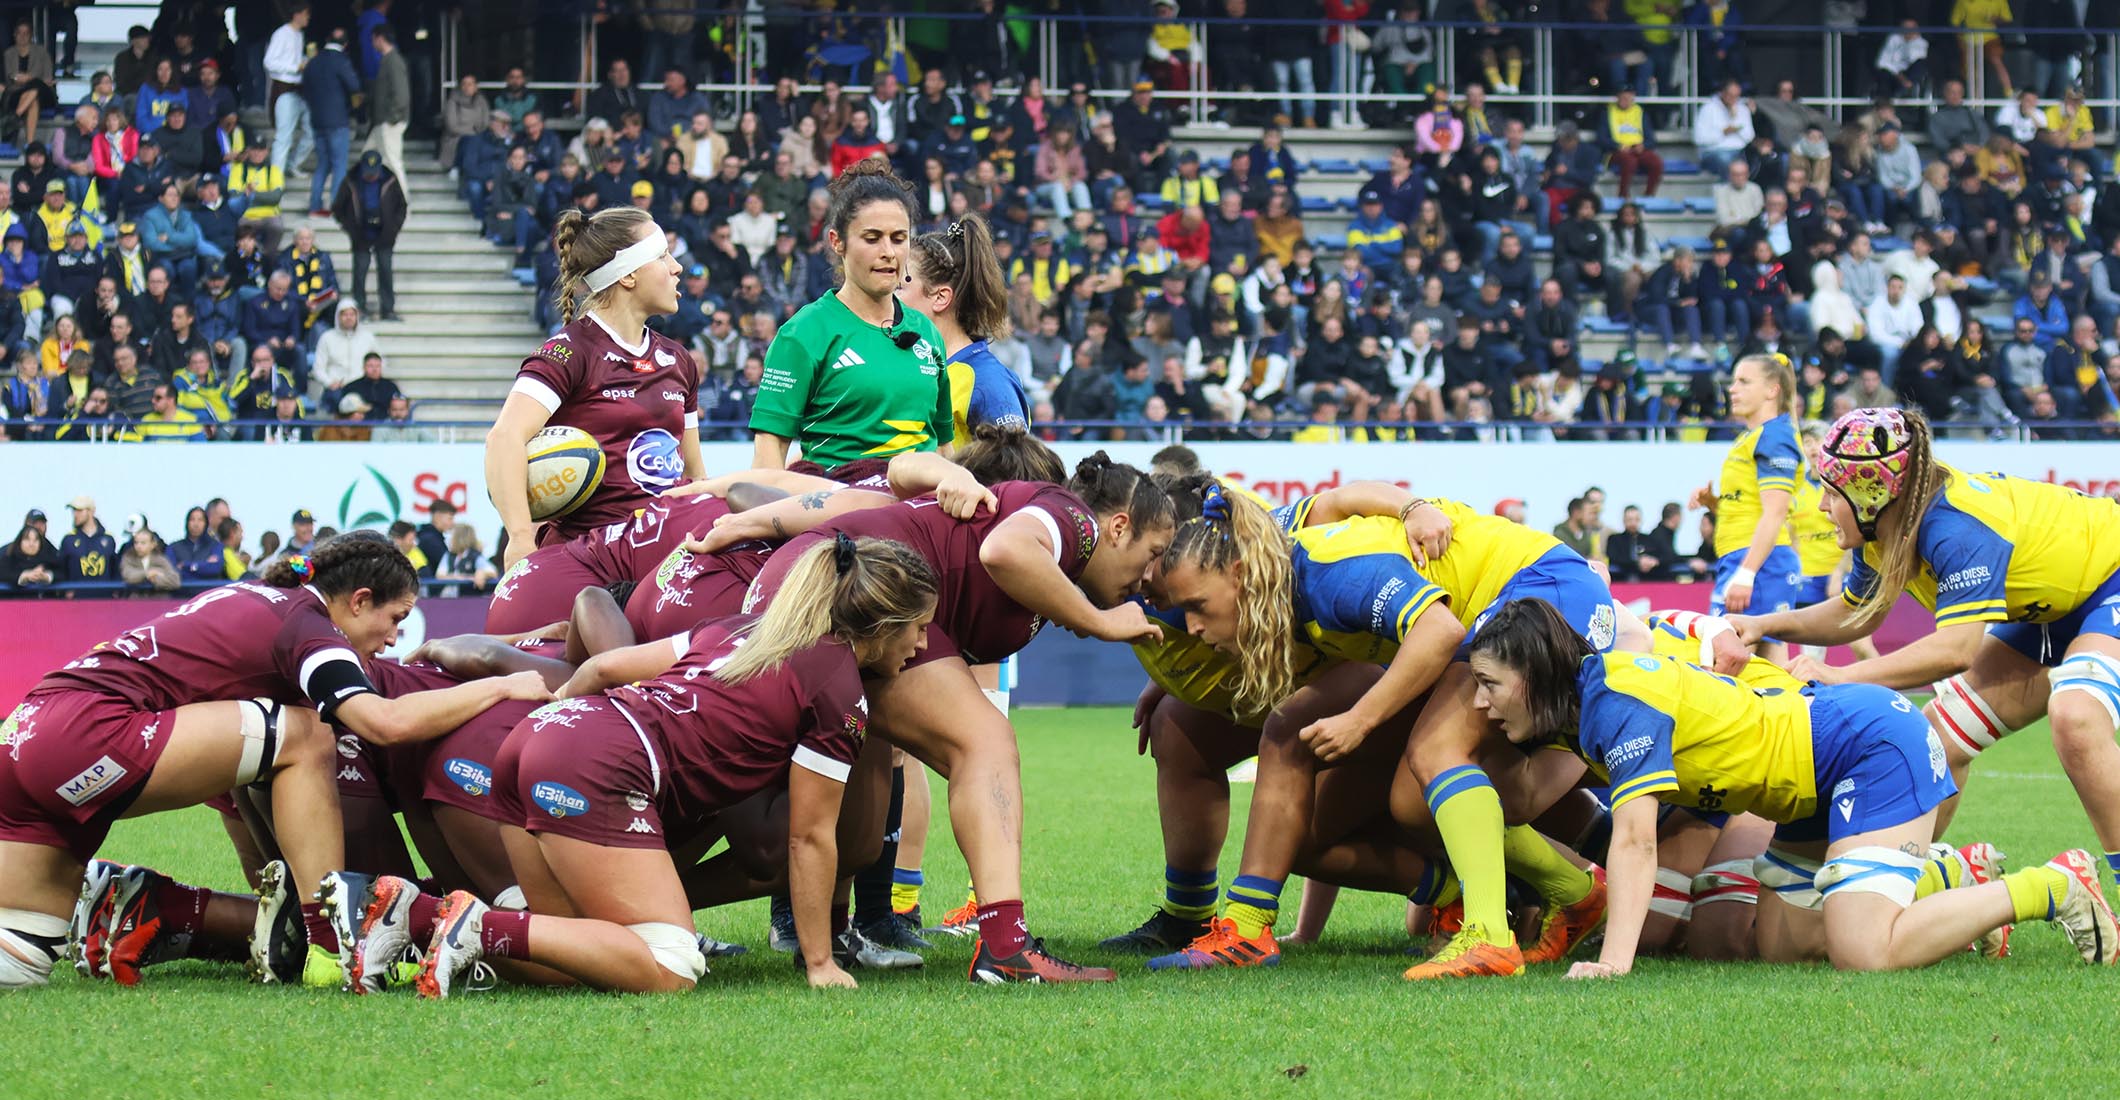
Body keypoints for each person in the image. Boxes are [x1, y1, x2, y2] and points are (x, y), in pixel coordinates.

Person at [373, 536, 937, 997]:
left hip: (541, 740)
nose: (923, 642)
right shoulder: (839, 692)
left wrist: (558, 729)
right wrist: (819, 962)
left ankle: (414, 918)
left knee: (575, 950)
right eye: (919, 626)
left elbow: (605, 668)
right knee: (669, 965)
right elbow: (810, 838)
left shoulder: (737, 630)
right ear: (883, 623)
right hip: (595, 766)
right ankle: (463, 925)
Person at [698, 454, 1177, 982]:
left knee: (853, 830)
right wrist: (1102, 623)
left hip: (808, 588)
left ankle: (815, 929)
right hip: (847, 592)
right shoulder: (1072, 519)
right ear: (1117, 526)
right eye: (1153, 554)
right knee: (984, 742)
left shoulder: (1044, 545)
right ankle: (1006, 948)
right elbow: (1005, 549)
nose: (1148, 578)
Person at [0, 533, 551, 990]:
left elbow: (230, 783)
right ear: (358, 600)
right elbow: (383, 722)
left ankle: (135, 901)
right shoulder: (308, 626)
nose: (395, 636)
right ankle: (339, 942)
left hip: (26, 733)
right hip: (90, 732)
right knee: (308, 732)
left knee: (19, 961)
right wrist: (503, 685)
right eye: (395, 616)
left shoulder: (254, 600)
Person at [1467, 597, 2115, 975]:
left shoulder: (1614, 699)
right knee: (1779, 947)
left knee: (1866, 951)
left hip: (1863, 748)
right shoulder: (1578, 706)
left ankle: (2050, 885)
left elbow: (1636, 843)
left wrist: (1613, 966)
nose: (1479, 701)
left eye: (1490, 684)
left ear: (1534, 675)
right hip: (1804, 790)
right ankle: (1947, 876)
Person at [1150, 488, 1629, 978]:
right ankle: (1248, 927)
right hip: (1491, 613)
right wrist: (1167, 681)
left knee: (1442, 756)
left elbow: (1438, 630)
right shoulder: (1263, 553)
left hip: (1542, 589)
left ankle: (1491, 933)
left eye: (1198, 606)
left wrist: (1361, 720)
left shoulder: (1326, 574)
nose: (1192, 626)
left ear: (1238, 576)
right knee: (1393, 803)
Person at [1731, 407, 2120, 886]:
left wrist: (1842, 675)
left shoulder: (1955, 527)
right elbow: (1858, 611)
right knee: (1934, 742)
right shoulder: (1883, 524)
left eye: (1831, 493)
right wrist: (1761, 625)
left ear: (1870, 493)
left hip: (2108, 579)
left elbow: (1955, 650)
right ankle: (1911, 891)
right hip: (2057, 604)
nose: (1820, 508)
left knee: (2076, 716)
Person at [484, 205, 702, 568]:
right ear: (628, 276)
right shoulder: (570, 352)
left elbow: (693, 474)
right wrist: (520, 539)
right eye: (663, 256)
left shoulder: (679, 360)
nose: (676, 267)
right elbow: (504, 439)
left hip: (662, 555)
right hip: (587, 557)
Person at [748, 160, 952, 482]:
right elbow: (768, 456)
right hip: (839, 520)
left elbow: (943, 449)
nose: (889, 252)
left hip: (919, 521)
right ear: (836, 241)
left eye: (899, 238)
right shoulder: (803, 334)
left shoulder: (926, 331)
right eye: (872, 238)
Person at [1686, 356, 1804, 651]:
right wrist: (1714, 503)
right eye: (1733, 381)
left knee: (1724, 661)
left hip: (1759, 563)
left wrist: (1747, 574)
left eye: (1744, 381)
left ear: (1772, 390)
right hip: (1750, 559)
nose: (1732, 389)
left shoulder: (1774, 437)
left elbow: (1775, 513)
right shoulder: (1753, 437)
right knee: (1767, 672)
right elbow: (1751, 507)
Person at [901, 214, 1031, 441]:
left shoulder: (988, 383)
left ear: (940, 297)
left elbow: (1014, 473)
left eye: (899, 287)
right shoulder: (912, 366)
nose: (887, 297)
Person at [331, 152, 407, 320]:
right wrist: (349, 227)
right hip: (361, 234)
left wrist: (394, 228)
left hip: (385, 234)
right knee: (360, 272)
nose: (371, 175)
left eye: (374, 171)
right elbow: (337, 208)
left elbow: (402, 206)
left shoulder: (390, 180)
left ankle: (388, 309)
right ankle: (359, 308)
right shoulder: (351, 180)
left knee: (385, 270)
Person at [265, 5, 313, 178]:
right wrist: (295, 67)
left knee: (312, 130)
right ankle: (276, 178)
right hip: (284, 88)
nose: (309, 18)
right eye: (307, 14)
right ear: (297, 14)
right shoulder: (281, 33)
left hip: (300, 90)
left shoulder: (299, 35)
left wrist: (305, 62)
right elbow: (269, 62)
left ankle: (292, 164)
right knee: (283, 136)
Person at [363, 25, 409, 186]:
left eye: (372, 39)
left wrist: (391, 119)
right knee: (367, 159)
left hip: (389, 122)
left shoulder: (393, 61)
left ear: (379, 38)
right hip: (381, 122)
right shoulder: (387, 60)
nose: (372, 43)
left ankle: (402, 207)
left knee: (393, 164)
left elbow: (401, 95)